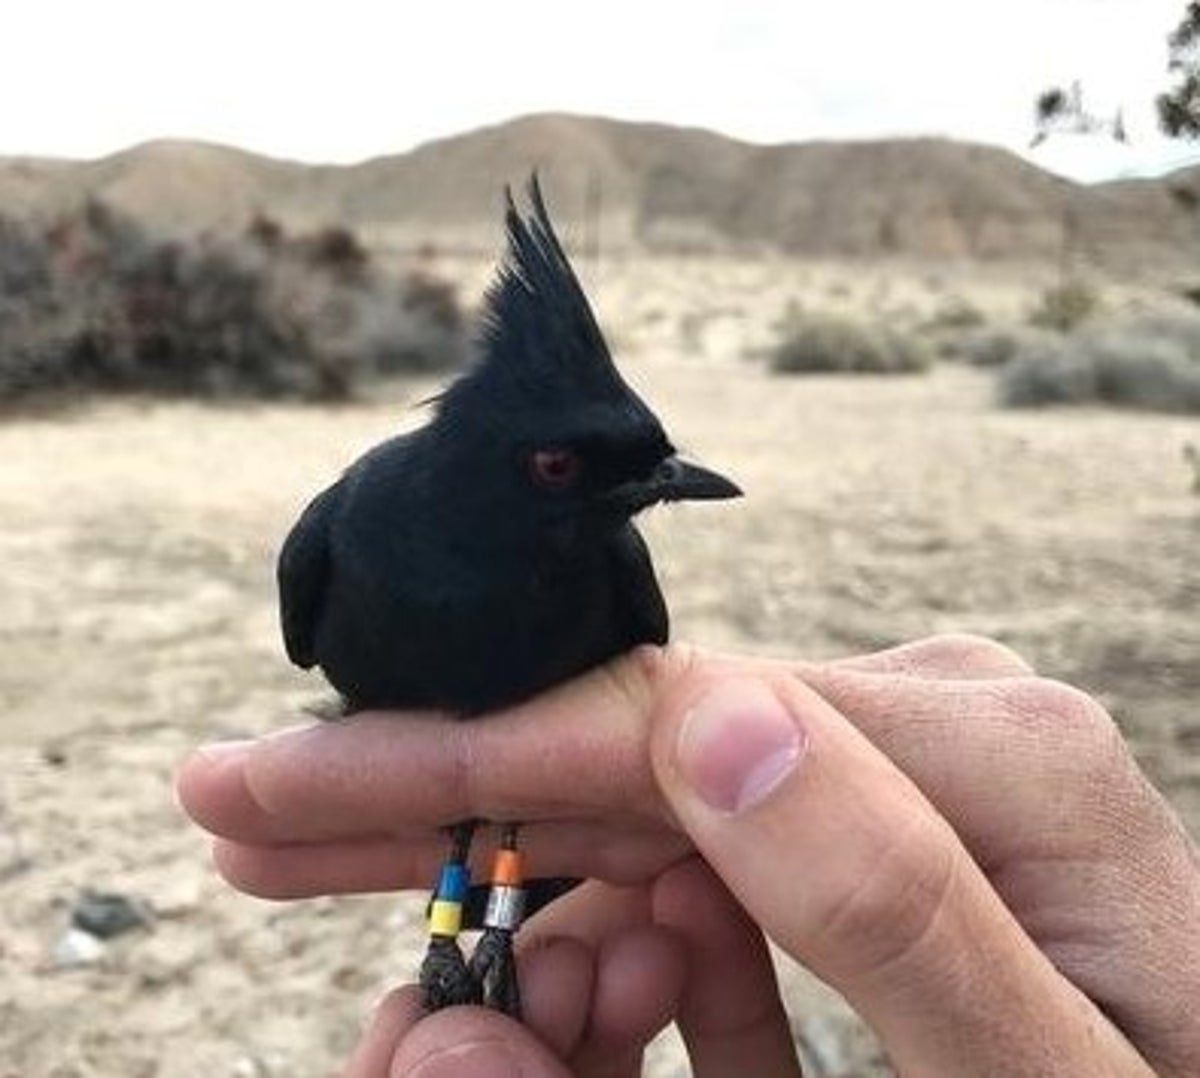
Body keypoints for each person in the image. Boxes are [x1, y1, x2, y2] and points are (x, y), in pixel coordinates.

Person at [177, 635, 1200, 1076]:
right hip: (519, 834)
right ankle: (463, 943)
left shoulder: (597, 567)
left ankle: (483, 940)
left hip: (549, 838)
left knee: (505, 834)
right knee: (477, 833)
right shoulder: (345, 548)